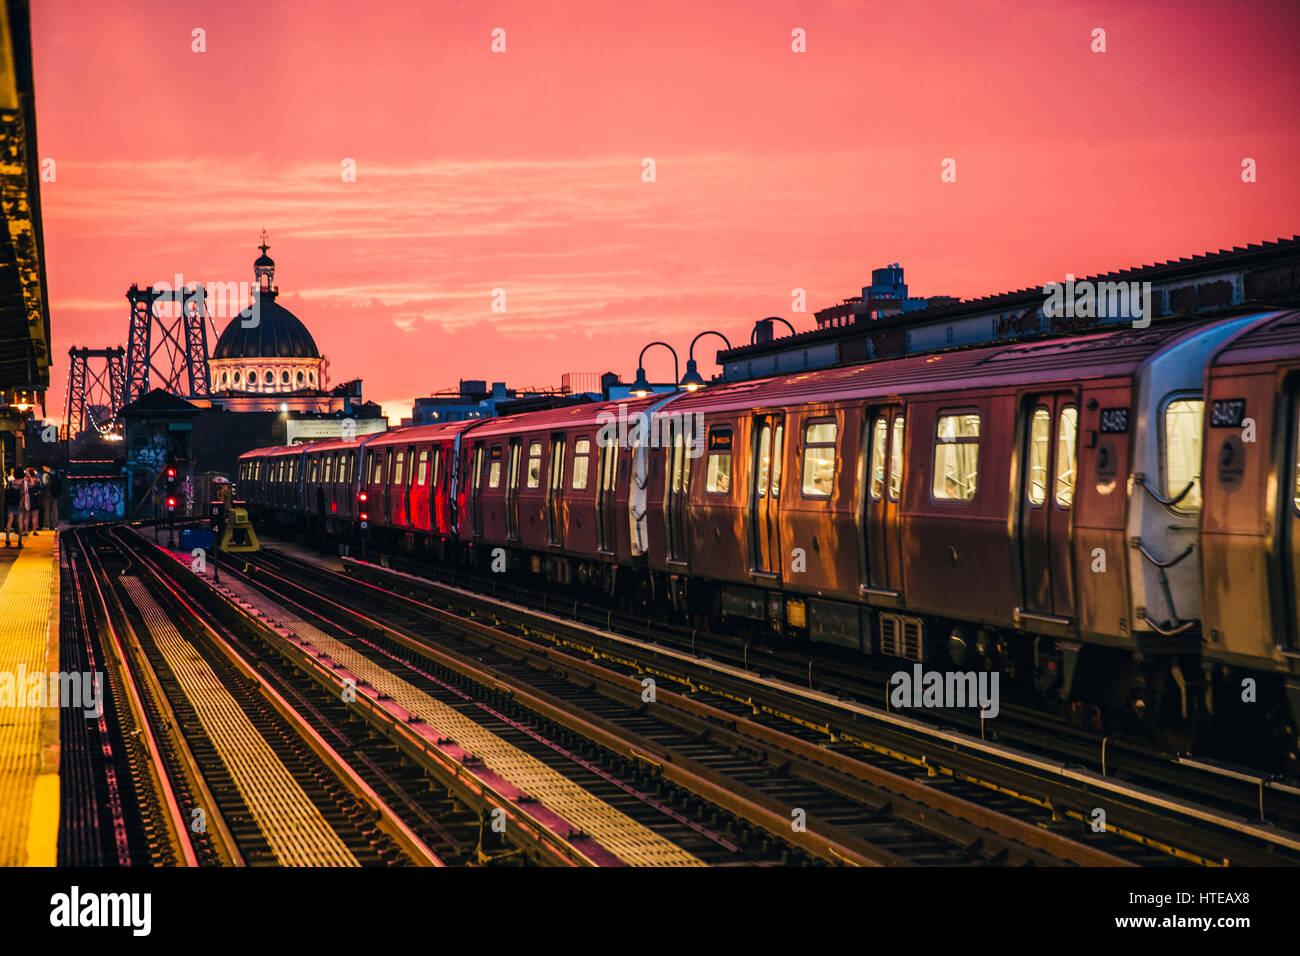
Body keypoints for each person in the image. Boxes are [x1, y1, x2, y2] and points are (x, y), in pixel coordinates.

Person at [4, 467, 22, 547]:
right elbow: (25, 492)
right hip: (20, 503)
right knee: (20, 521)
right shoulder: (23, 482)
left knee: (9, 521)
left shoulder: (11, 482)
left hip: (11, 503)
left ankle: (7, 539)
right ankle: (20, 540)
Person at [40, 465, 60, 530]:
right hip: (55, 494)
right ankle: (55, 525)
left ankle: (47, 525)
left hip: (47, 494)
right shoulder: (56, 473)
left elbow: (44, 484)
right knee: (55, 509)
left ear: (46, 467)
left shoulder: (45, 475)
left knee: (47, 510)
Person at [22, 467, 40, 536]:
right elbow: (34, 485)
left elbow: (32, 484)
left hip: (27, 498)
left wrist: (28, 477)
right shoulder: (37, 480)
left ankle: (26, 530)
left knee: (27, 515)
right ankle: (34, 530)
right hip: (34, 498)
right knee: (35, 516)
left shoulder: (26, 481)